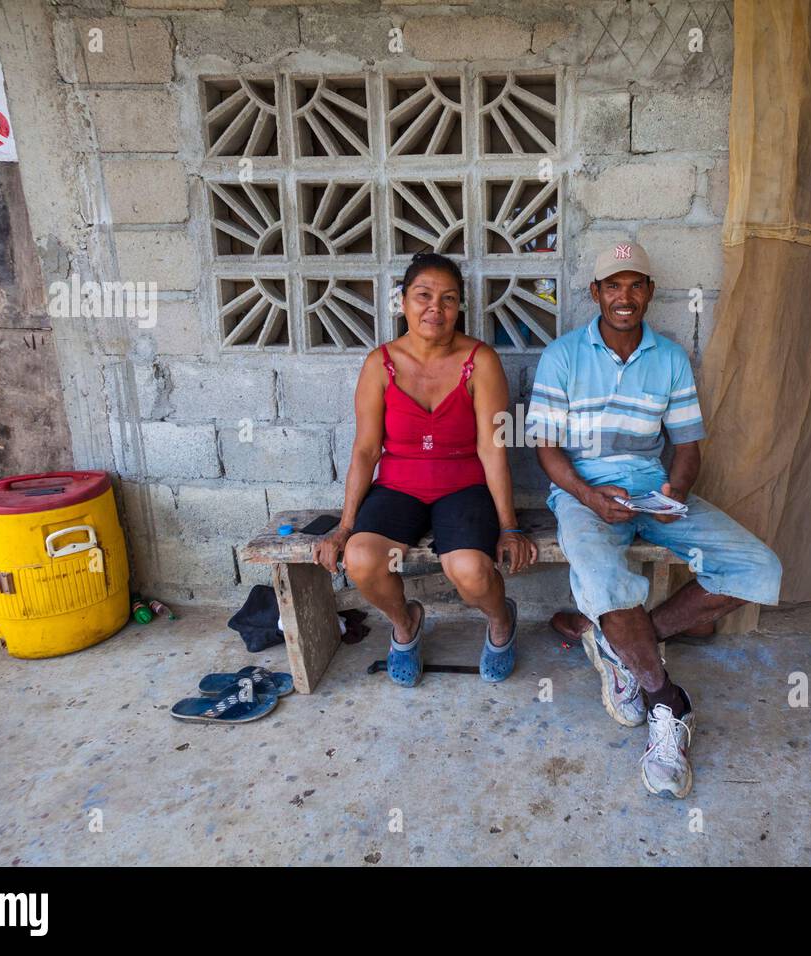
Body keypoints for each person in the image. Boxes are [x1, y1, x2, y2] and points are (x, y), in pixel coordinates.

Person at [527, 240, 782, 799]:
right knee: (602, 579)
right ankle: (666, 701)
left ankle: (614, 644)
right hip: (581, 495)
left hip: (652, 491)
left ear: (650, 292)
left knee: (758, 566)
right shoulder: (562, 356)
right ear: (595, 293)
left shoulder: (669, 359)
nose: (625, 297)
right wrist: (590, 497)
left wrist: (676, 489)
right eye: (612, 286)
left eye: (635, 284)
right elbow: (546, 449)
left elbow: (688, 448)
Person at [314, 252, 537, 685]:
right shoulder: (380, 364)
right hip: (399, 486)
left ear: (460, 306)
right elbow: (365, 450)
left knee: (470, 570)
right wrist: (344, 527)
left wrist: (509, 526)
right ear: (403, 301)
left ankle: (501, 620)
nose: (436, 308)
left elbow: (493, 449)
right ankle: (405, 624)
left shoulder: (481, 361)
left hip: (463, 486)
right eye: (424, 296)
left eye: (449, 299)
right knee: (361, 559)